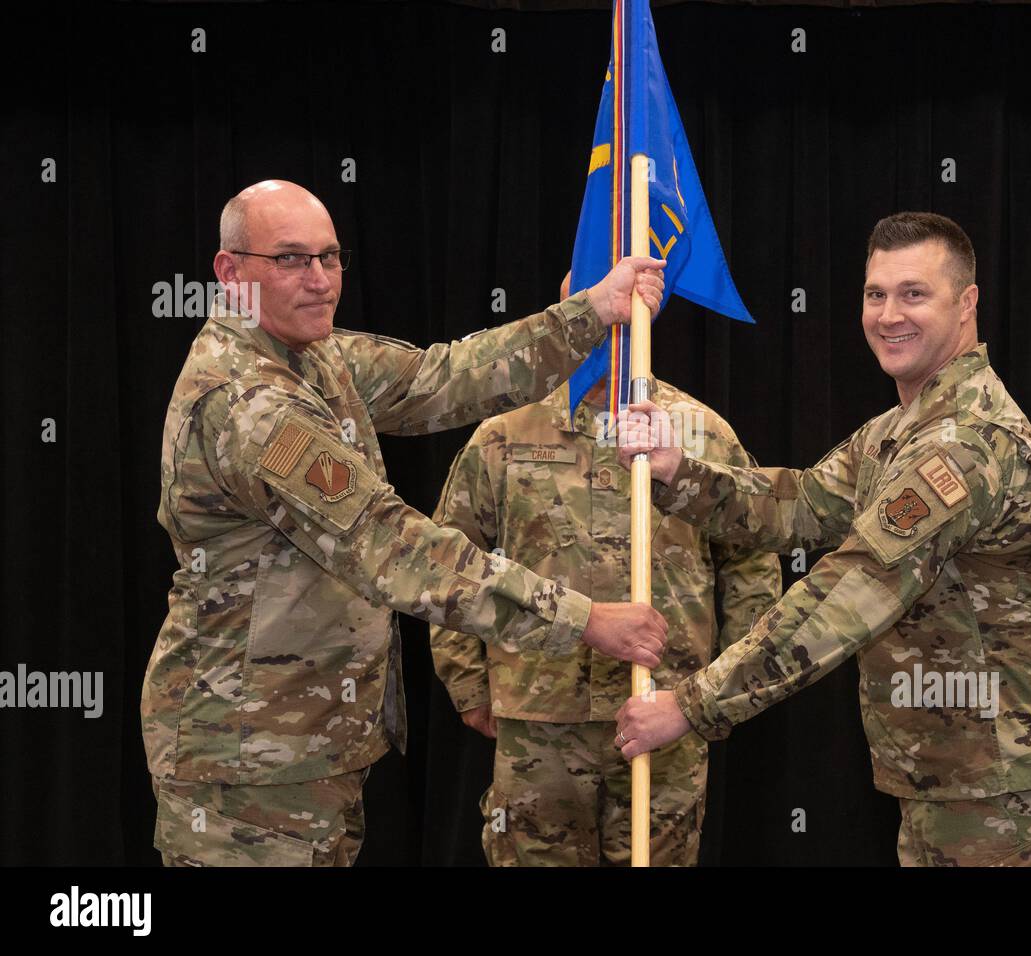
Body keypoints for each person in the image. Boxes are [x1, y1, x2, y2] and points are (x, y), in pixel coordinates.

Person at [143, 179, 668, 866]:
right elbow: (391, 546)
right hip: (246, 771)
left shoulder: (309, 352)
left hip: (301, 747)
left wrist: (591, 311)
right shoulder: (250, 406)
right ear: (230, 271)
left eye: (331, 258)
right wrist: (582, 619)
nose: (321, 279)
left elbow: (441, 377)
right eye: (293, 260)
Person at [615, 212, 1031, 867]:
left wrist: (695, 705)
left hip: (1005, 788)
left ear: (967, 305)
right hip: (947, 778)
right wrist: (679, 473)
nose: (888, 314)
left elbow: (846, 592)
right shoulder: (895, 431)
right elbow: (797, 507)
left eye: (913, 294)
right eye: (876, 294)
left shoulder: (967, 446)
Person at [429, 274, 783, 866]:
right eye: (593, 301)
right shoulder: (504, 435)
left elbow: (750, 566)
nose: (609, 321)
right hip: (538, 716)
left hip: (665, 711)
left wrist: (722, 693)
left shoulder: (700, 434)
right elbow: (449, 563)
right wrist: (467, 685)